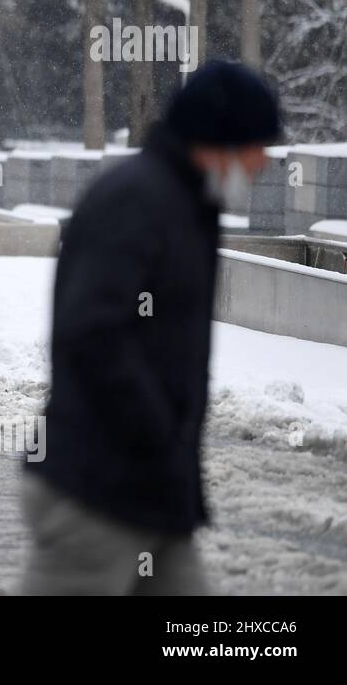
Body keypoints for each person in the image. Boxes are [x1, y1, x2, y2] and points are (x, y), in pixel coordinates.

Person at [20, 59, 281, 595]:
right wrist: (156, 429)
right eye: (259, 145)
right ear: (220, 140)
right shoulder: (139, 200)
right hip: (97, 495)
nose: (264, 163)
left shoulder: (186, 203)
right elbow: (91, 333)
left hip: (152, 489)